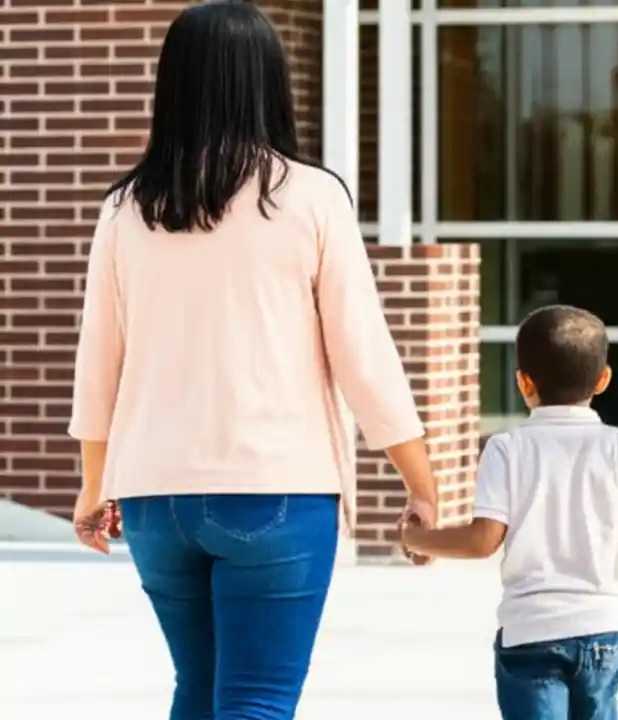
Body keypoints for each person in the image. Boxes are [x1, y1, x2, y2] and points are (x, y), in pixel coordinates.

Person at [67, 2, 439, 718]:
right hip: (279, 491)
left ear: (171, 83)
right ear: (269, 82)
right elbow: (365, 360)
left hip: (154, 500)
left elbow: (98, 363)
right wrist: (419, 484)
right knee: (257, 701)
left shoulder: (124, 210)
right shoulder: (310, 197)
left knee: (200, 692)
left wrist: (93, 487)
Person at [401, 305, 618, 720]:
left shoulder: (507, 449)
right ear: (604, 380)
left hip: (531, 632)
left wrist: (417, 538)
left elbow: (482, 541)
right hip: (604, 629)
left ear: (523, 382)